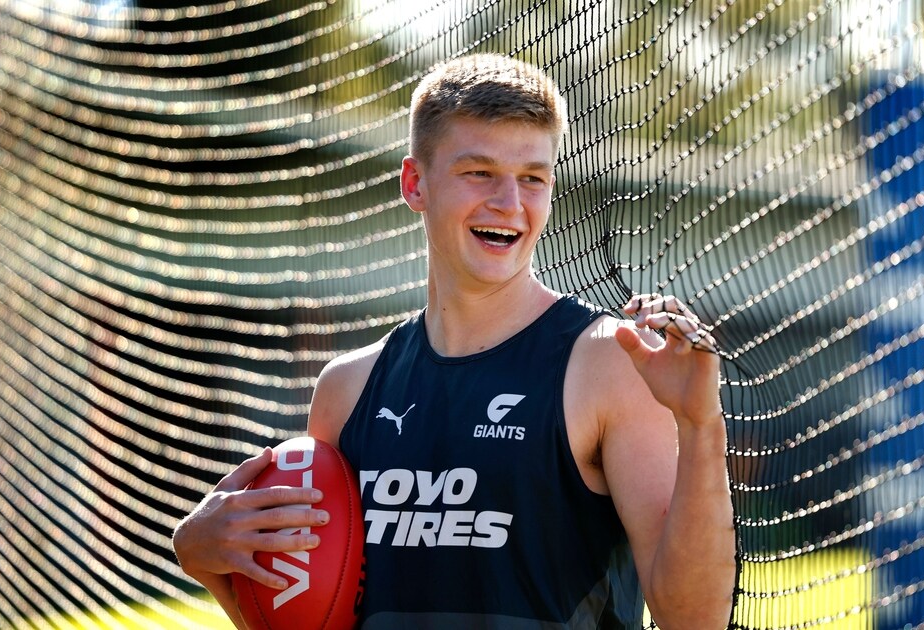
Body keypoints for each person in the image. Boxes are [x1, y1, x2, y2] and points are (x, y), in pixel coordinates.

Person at [172, 53, 736, 629]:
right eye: (479, 172)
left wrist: (699, 425)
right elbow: (318, 617)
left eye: (532, 179)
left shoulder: (608, 363)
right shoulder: (346, 390)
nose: (509, 203)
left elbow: (693, 621)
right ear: (415, 183)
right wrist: (210, 562)